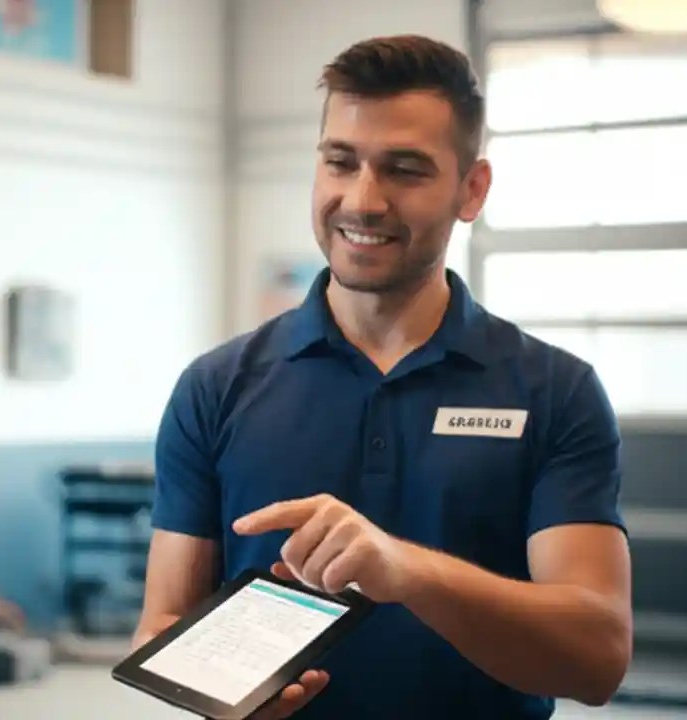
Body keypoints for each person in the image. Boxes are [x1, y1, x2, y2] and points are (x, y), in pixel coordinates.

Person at [135, 34, 632, 719]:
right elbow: (163, 630)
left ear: (472, 188)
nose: (363, 200)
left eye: (404, 169)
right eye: (340, 162)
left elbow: (597, 657)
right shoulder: (216, 387)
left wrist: (407, 571)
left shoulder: (555, 392)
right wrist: (230, 700)